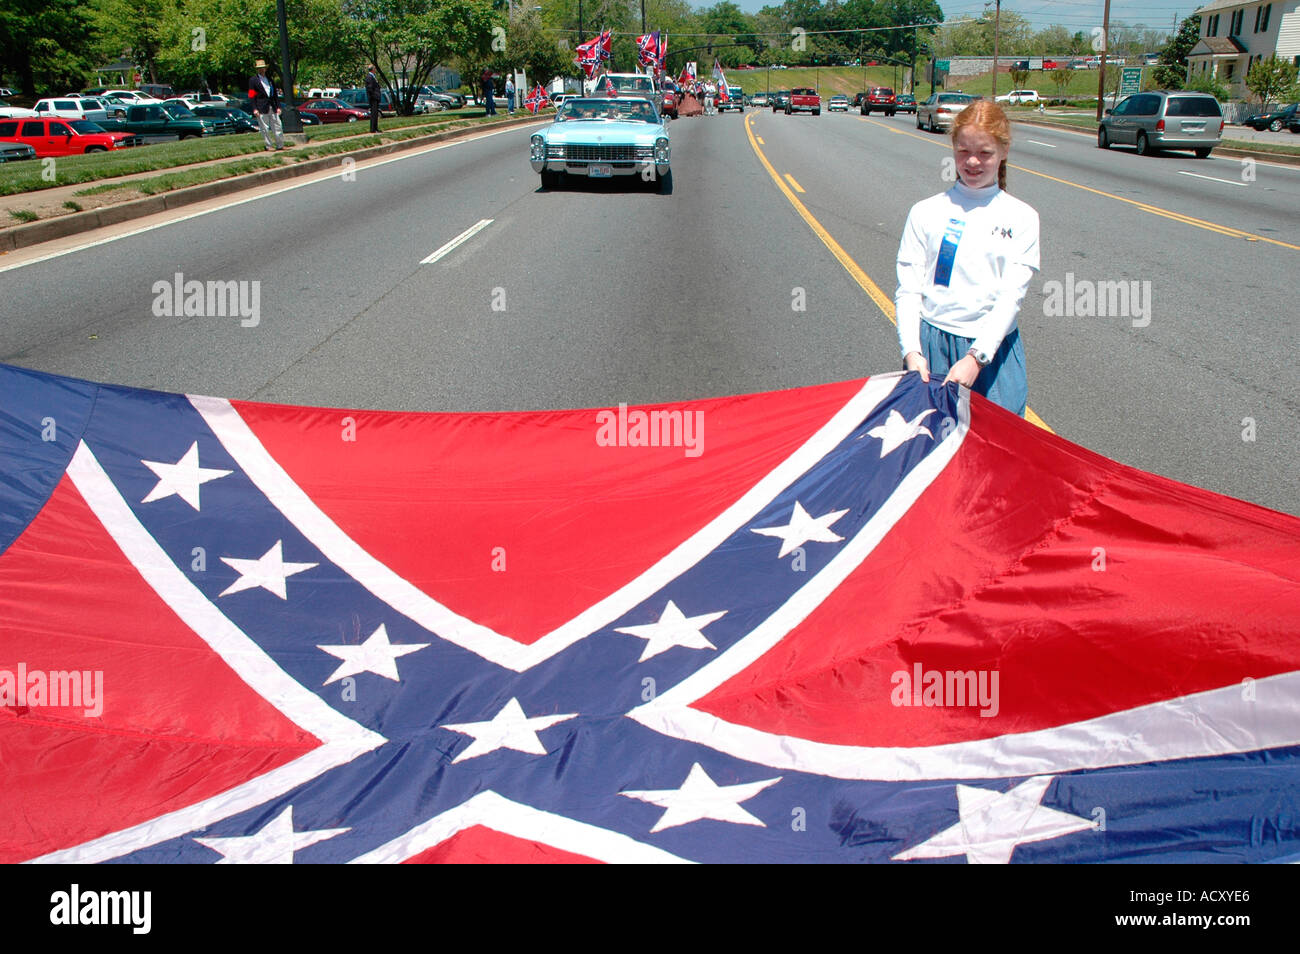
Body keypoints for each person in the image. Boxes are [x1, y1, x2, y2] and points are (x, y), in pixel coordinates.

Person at [894, 100, 1039, 417]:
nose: (973, 161)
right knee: (932, 450)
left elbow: (1011, 296)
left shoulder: (1022, 217)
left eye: (985, 152)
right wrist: (912, 350)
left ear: (1004, 152)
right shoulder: (926, 212)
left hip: (991, 353)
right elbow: (908, 288)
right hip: (931, 348)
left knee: (996, 456)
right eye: (963, 151)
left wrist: (977, 358)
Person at [248, 59, 283, 151]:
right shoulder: (253, 80)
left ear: (265, 69)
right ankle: (269, 146)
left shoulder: (270, 80)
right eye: (259, 68)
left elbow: (274, 95)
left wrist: (278, 106)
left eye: (262, 68)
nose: (261, 70)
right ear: (257, 69)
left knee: (278, 125)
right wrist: (255, 108)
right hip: (261, 107)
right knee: (265, 128)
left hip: (272, 106)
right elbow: (251, 95)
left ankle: (280, 145)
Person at [364, 64, 381, 133]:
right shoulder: (369, 77)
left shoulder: (373, 77)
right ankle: (373, 129)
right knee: (374, 114)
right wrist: (374, 96)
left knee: (376, 113)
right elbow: (370, 89)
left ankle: (376, 128)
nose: (375, 69)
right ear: (372, 69)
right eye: (374, 68)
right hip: (373, 98)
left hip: (376, 98)